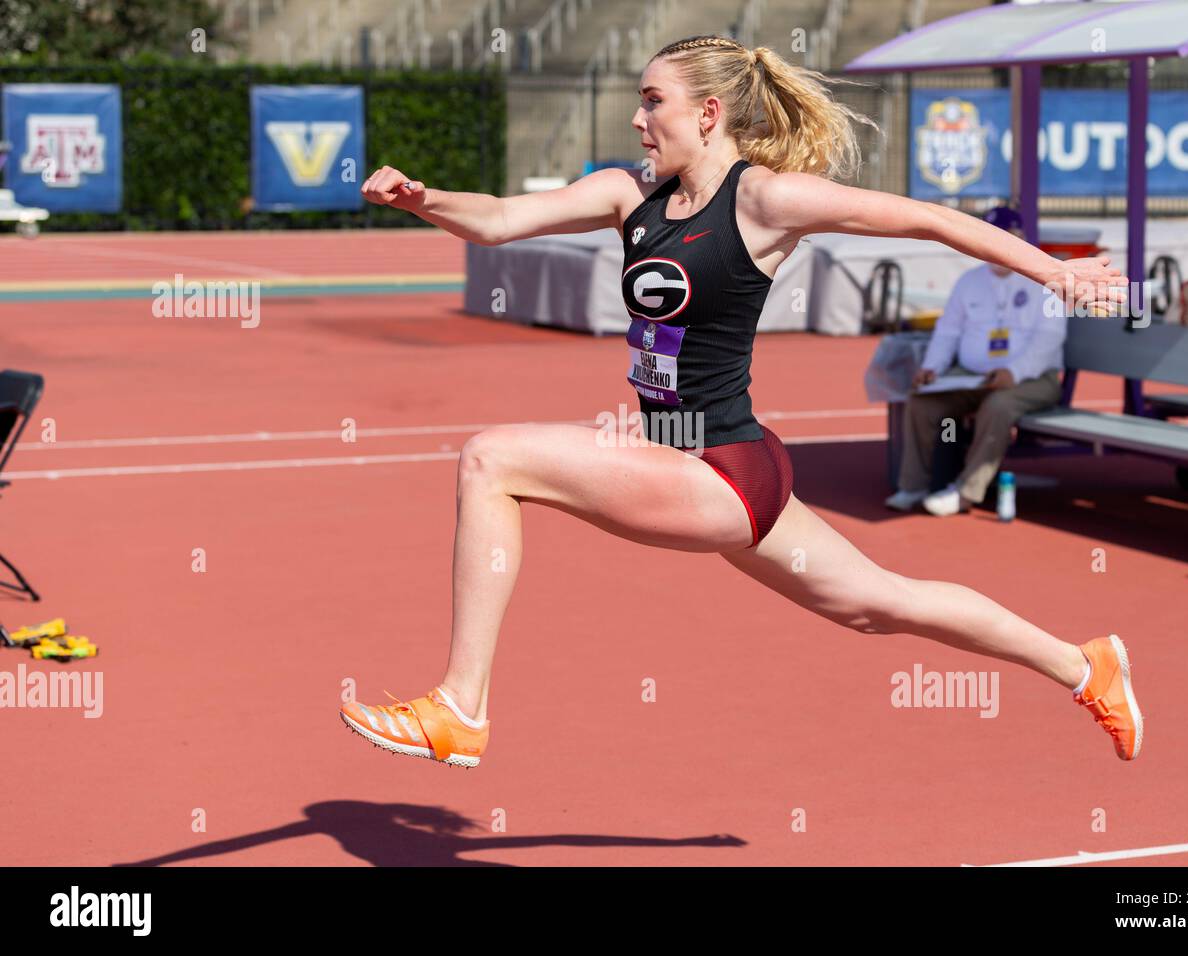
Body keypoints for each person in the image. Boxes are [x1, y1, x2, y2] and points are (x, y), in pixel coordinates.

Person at [341, 35, 1142, 769]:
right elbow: (500, 219)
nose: (639, 116)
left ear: (709, 113)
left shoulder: (765, 200)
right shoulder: (630, 195)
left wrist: (1056, 272)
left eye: (654, 100)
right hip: (695, 462)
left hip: (722, 469)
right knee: (879, 604)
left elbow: (926, 220)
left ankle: (460, 707)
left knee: (492, 459)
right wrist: (424, 198)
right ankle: (1084, 665)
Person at [885, 206, 1066, 516]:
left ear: (1020, 239)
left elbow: (1049, 339)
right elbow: (947, 332)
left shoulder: (1045, 281)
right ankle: (913, 484)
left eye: (1005, 239)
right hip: (971, 376)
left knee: (997, 408)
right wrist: (932, 367)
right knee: (922, 402)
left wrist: (1014, 372)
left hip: (1033, 379)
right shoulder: (969, 281)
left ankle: (967, 491)